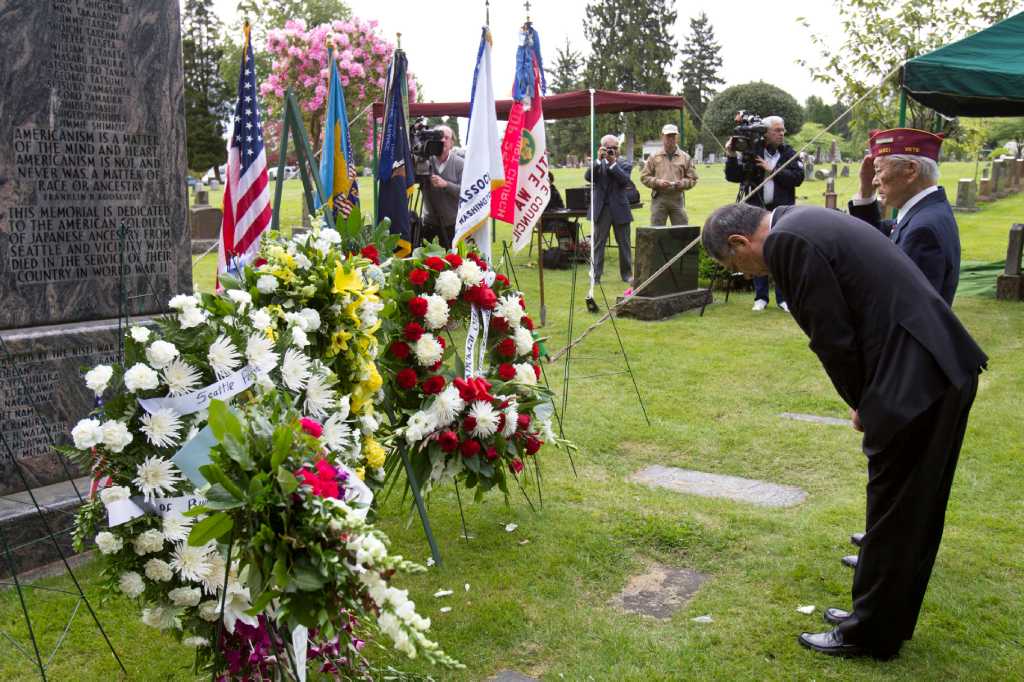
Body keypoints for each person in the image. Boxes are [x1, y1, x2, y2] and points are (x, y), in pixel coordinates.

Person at [701, 201, 986, 660]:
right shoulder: (800, 219)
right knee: (914, 511)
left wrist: (862, 403)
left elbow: (832, 337)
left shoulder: (786, 243)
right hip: (937, 367)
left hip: (913, 379)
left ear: (740, 241)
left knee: (896, 512)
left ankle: (869, 633)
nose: (745, 273)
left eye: (735, 265)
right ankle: (885, 618)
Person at [849, 128, 961, 305]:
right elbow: (874, 237)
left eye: (878, 170)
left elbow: (909, 308)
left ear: (911, 170)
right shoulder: (927, 212)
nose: (874, 181)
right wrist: (865, 192)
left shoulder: (922, 230)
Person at [724, 115, 803, 312]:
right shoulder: (753, 152)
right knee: (757, 250)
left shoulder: (788, 153)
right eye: (777, 130)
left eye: (783, 130)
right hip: (756, 210)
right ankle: (761, 297)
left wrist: (772, 170)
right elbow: (734, 176)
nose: (782, 134)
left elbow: (797, 178)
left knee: (781, 252)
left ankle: (783, 298)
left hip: (781, 211)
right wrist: (731, 155)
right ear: (765, 133)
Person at [584, 134, 634, 312]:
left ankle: (627, 274)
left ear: (618, 148)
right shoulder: (597, 163)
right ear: (602, 147)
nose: (611, 150)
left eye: (614, 147)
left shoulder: (624, 163)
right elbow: (588, 177)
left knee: (624, 243)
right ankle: (596, 275)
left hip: (619, 208)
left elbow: (624, 180)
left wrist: (612, 163)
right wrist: (598, 161)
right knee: (598, 244)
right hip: (602, 209)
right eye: (608, 147)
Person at [640, 123, 698, 226]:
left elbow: (693, 178)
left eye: (673, 136)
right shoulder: (654, 157)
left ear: (677, 137)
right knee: (657, 230)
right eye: (668, 136)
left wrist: (683, 183)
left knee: (681, 230)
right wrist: (658, 182)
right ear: (662, 137)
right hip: (659, 198)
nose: (671, 139)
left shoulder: (685, 157)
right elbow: (644, 177)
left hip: (677, 198)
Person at [420, 125, 463, 249]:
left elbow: (465, 193)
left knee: (451, 259)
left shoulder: (460, 164)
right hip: (429, 224)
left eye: (446, 138)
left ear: (452, 143)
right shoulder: (425, 161)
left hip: (452, 225)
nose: (442, 140)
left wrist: (446, 184)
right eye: (439, 137)